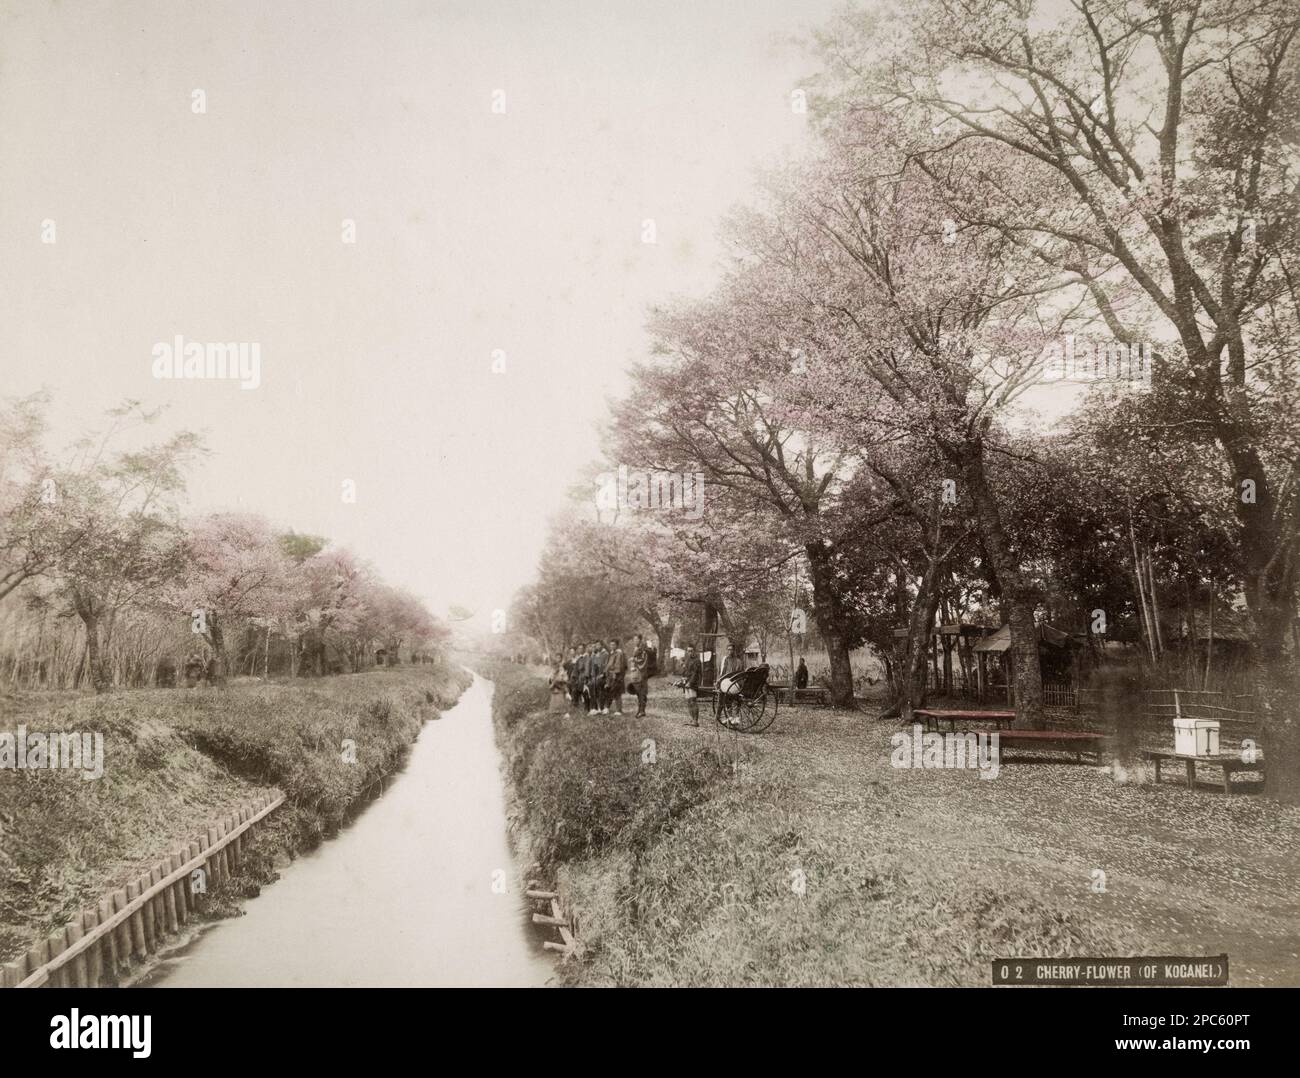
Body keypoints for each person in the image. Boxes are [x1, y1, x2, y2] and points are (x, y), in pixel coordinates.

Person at [717, 642, 745, 727]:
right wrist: (720, 681)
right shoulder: (725, 660)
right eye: (728, 649)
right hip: (727, 682)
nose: (730, 651)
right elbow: (722, 672)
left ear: (734, 650)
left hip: (735, 683)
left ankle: (735, 716)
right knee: (726, 699)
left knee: (736, 698)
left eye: (731, 649)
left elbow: (741, 673)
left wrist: (739, 683)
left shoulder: (738, 661)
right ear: (727, 650)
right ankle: (729, 716)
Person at [678, 641, 702, 727]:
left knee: (693, 701)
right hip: (687, 682)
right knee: (688, 701)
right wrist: (682, 678)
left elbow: (695, 673)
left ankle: (696, 720)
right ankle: (692, 719)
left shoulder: (697, 660)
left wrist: (690, 683)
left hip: (693, 683)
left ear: (694, 651)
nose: (690, 652)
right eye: (688, 651)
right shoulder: (688, 660)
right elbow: (686, 671)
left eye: (691, 651)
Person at [629, 633, 650, 717]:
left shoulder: (643, 649)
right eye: (634, 639)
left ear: (640, 640)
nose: (635, 641)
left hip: (642, 672)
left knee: (642, 691)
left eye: (637, 639)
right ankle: (640, 709)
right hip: (637, 672)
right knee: (638, 690)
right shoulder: (636, 648)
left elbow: (643, 660)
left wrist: (634, 659)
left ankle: (642, 710)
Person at [606, 637, 627, 716]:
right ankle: (608, 707)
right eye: (611, 645)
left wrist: (615, 673)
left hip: (617, 675)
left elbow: (618, 666)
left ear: (617, 645)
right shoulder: (612, 653)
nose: (612, 646)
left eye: (613, 645)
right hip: (611, 675)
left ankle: (619, 709)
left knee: (617, 692)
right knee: (611, 691)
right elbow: (609, 665)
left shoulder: (619, 653)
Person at [590, 640, 609, 714]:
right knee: (592, 686)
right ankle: (595, 707)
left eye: (598, 645)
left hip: (603, 676)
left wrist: (603, 674)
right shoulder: (595, 654)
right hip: (595, 676)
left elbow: (606, 665)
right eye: (596, 645)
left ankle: (602, 707)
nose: (597, 647)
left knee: (600, 688)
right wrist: (593, 675)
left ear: (602, 645)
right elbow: (593, 666)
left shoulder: (605, 654)